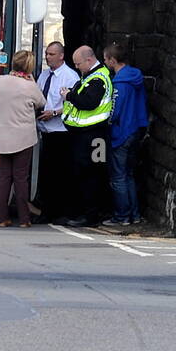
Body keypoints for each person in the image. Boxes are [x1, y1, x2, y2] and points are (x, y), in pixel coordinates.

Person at [0, 50, 46, 227]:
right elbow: (42, 103)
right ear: (28, 67)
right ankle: (23, 219)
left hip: (0, 136)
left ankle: (1, 218)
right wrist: (33, 82)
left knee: (3, 177)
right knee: (21, 178)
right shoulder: (29, 86)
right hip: (23, 138)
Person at [60, 44, 114, 227]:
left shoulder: (98, 79)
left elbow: (88, 102)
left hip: (94, 135)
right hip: (85, 135)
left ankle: (90, 215)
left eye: (78, 63)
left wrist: (69, 96)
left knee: (91, 175)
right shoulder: (90, 76)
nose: (76, 67)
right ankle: (81, 212)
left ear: (89, 60)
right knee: (82, 173)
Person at [32, 41, 79, 224]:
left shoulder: (70, 76)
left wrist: (55, 113)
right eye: (46, 53)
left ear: (61, 56)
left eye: (51, 54)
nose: (47, 57)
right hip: (44, 130)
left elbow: (74, 102)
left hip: (60, 130)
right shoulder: (44, 75)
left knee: (59, 174)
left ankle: (58, 211)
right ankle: (46, 210)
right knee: (46, 174)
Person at [103, 41, 148, 227]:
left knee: (118, 176)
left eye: (105, 59)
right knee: (128, 175)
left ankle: (122, 216)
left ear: (113, 60)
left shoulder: (120, 83)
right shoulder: (135, 78)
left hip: (121, 132)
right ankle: (134, 215)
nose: (104, 62)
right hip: (136, 129)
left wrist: (106, 121)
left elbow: (115, 110)